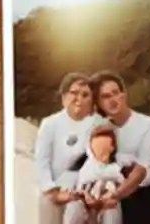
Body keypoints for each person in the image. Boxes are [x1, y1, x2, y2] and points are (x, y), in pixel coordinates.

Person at [88, 71, 150, 224]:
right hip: (112, 192)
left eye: (115, 93)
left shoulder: (147, 125)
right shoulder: (101, 130)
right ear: (98, 103)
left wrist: (116, 195)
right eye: (105, 96)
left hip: (145, 196)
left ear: (123, 95)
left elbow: (141, 171)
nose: (112, 100)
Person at [34, 72, 99, 224]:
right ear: (63, 98)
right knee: (46, 203)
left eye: (85, 95)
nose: (79, 99)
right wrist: (52, 191)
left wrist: (80, 193)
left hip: (82, 191)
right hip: (54, 189)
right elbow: (41, 161)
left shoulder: (98, 125)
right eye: (74, 93)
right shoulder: (50, 124)